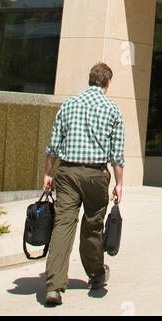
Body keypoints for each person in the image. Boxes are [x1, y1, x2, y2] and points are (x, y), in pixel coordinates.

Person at [41, 61, 125, 307]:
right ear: (108, 83)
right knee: (92, 226)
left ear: (90, 80)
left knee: (62, 226)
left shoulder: (69, 105)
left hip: (67, 172)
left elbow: (54, 144)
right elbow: (117, 154)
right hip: (96, 174)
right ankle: (96, 275)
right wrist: (119, 184)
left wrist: (48, 173)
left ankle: (54, 286)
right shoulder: (112, 109)